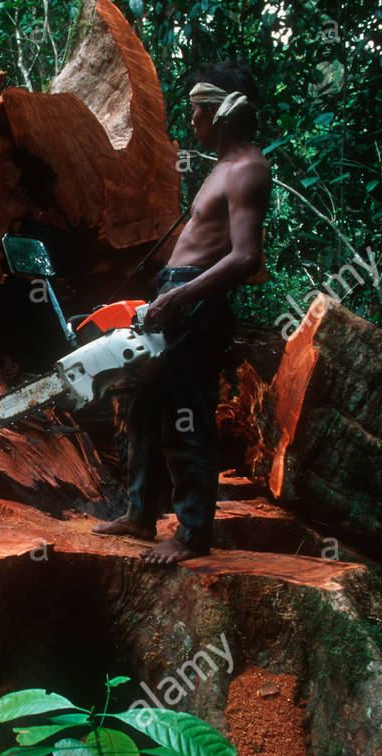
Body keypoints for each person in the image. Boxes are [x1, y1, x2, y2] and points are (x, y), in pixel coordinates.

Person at [93, 62, 271, 564]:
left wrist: (181, 296)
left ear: (224, 113)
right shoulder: (221, 168)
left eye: (197, 113)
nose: (191, 123)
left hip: (196, 306)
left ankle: (193, 534)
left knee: (186, 419)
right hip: (178, 300)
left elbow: (245, 256)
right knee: (146, 408)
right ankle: (139, 514)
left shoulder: (248, 170)